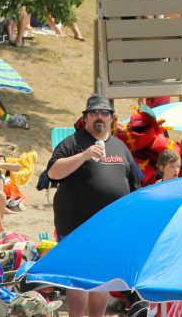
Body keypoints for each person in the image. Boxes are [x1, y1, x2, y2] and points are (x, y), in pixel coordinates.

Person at [46, 95, 140, 317]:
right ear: (85, 118)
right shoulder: (72, 143)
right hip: (75, 223)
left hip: (109, 225)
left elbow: (135, 184)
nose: (100, 117)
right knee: (78, 279)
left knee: (102, 279)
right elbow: (52, 172)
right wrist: (84, 155)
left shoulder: (120, 147)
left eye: (104, 113)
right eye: (94, 112)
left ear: (111, 118)